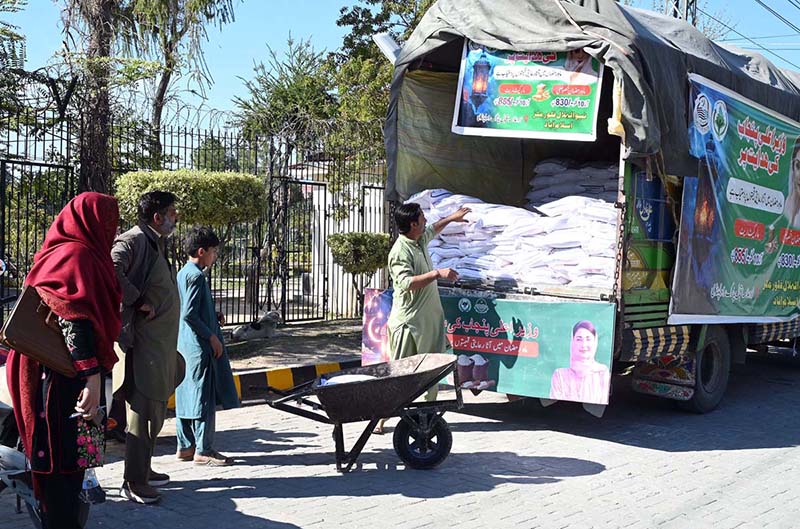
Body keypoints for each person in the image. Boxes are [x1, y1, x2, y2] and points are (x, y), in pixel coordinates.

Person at [5, 192, 122, 528]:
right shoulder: (75, 255)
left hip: (76, 374)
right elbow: (73, 317)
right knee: (61, 467)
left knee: (78, 465)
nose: (112, 228)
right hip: (62, 377)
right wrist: (93, 378)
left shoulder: (75, 253)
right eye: (109, 220)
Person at [374, 202, 470, 434]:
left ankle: (425, 417)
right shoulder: (400, 251)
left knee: (430, 374)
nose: (426, 220)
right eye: (422, 217)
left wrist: (452, 218)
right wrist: (438, 273)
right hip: (409, 325)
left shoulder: (419, 240)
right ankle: (380, 418)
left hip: (428, 322)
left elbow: (433, 229)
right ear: (413, 224)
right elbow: (406, 283)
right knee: (400, 374)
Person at [111, 191, 182, 504]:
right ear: (157, 216)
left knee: (155, 410)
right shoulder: (133, 240)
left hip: (160, 346)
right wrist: (137, 300)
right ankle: (134, 481)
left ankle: (145, 468)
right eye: (172, 212)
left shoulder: (153, 240)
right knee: (142, 412)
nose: (175, 217)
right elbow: (111, 270)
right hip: (144, 345)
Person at [174, 227, 240, 467]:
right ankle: (204, 450)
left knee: (186, 393)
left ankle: (185, 445)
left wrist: (214, 314)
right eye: (213, 252)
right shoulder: (196, 276)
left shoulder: (184, 272)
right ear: (201, 251)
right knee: (203, 396)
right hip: (199, 346)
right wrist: (211, 337)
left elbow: (193, 309)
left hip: (185, 345)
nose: (214, 256)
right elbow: (189, 314)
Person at [549, 320, 611, 403]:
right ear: (573, 342)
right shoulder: (560, 375)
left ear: (594, 342)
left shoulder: (602, 372)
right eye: (579, 339)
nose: (583, 345)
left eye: (588, 339)